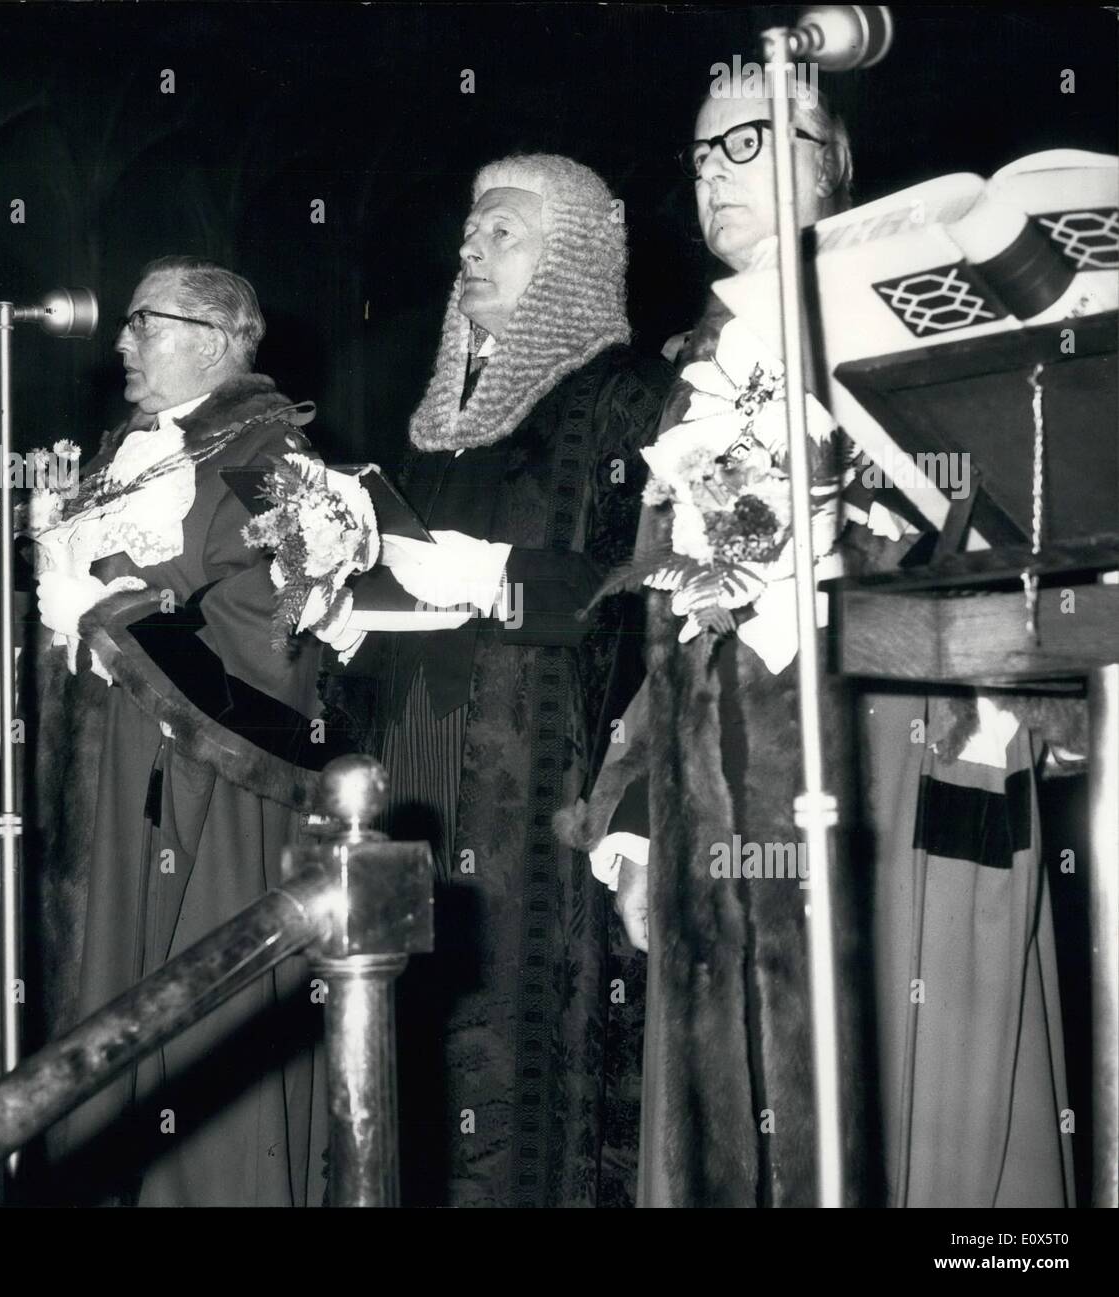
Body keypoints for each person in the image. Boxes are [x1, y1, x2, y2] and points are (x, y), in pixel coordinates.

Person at [566, 85, 1076, 1208]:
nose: (713, 166)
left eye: (751, 139)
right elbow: (668, 622)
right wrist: (641, 825)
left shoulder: (916, 312)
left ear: (834, 160)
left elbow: (1005, 532)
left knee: (897, 1101)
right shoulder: (697, 368)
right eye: (701, 146)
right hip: (717, 797)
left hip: (879, 758)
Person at [0, 256, 332, 1206]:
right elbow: (37, 572)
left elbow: (269, 639)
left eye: (142, 323)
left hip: (184, 804)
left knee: (171, 1048)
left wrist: (118, 619)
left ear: (213, 340)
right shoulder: (133, 450)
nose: (121, 342)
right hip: (87, 786)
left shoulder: (261, 456)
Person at [321, 154, 672, 1207]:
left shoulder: (629, 401)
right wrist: (346, 618)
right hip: (416, 773)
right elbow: (403, 600)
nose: (468, 250)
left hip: (533, 791)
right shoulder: (428, 427)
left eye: (502, 232)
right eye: (468, 234)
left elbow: (643, 592)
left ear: (568, 256)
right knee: (400, 1039)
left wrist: (495, 577)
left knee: (518, 1069)